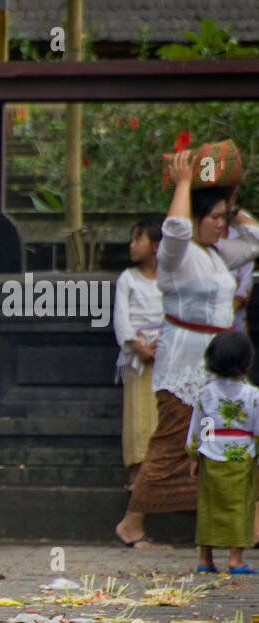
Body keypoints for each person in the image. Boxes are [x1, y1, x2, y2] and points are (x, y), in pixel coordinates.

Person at [114, 149, 259, 548]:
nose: (220, 225)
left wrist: (231, 201)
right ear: (196, 218)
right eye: (213, 217)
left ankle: (244, 523)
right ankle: (131, 522)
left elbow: (252, 241)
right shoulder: (177, 255)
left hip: (220, 359)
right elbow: (176, 229)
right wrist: (183, 185)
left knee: (229, 433)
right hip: (183, 359)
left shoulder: (215, 254)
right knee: (172, 440)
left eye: (222, 218)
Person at [186, 330, 259, 573]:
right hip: (242, 457)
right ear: (248, 363)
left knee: (208, 505)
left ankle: (204, 559)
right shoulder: (253, 396)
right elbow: (257, 431)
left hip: (211, 455)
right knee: (240, 505)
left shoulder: (205, 393)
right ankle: (235, 559)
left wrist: (194, 456)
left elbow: (199, 427)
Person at [112, 220, 164, 490]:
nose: (131, 245)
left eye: (137, 239)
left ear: (156, 246)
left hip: (166, 354)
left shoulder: (170, 279)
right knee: (138, 415)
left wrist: (164, 344)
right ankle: (137, 473)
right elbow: (121, 319)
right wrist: (137, 345)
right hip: (138, 355)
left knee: (163, 414)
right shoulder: (128, 279)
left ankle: (162, 473)